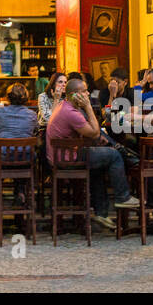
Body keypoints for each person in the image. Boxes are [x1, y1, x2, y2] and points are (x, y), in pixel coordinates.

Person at [45, 78, 139, 227]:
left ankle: (101, 213)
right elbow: (95, 133)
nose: (88, 93)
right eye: (84, 91)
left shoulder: (64, 105)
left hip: (59, 158)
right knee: (113, 155)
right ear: (75, 95)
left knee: (99, 163)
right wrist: (88, 106)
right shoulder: (71, 113)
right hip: (67, 160)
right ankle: (122, 197)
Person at [0, 84, 40, 205]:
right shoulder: (32, 115)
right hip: (26, 157)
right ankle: (20, 190)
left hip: (1, 157)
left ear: (8, 98)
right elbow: (36, 128)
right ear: (26, 98)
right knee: (21, 160)